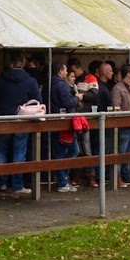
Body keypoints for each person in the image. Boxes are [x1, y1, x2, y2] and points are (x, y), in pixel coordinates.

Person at [0, 53, 42, 195]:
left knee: (1, 150)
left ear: (10, 63)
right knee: (19, 152)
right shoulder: (30, 81)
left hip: (2, 118)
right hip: (22, 119)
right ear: (23, 62)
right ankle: (17, 185)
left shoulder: (0, 80)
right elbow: (38, 100)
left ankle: (2, 183)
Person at [48, 61, 81, 192]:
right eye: (65, 70)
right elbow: (68, 102)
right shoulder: (61, 85)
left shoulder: (49, 83)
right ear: (60, 71)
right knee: (71, 150)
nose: (67, 73)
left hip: (55, 120)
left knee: (61, 151)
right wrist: (77, 98)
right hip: (63, 122)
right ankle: (62, 180)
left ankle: (62, 178)